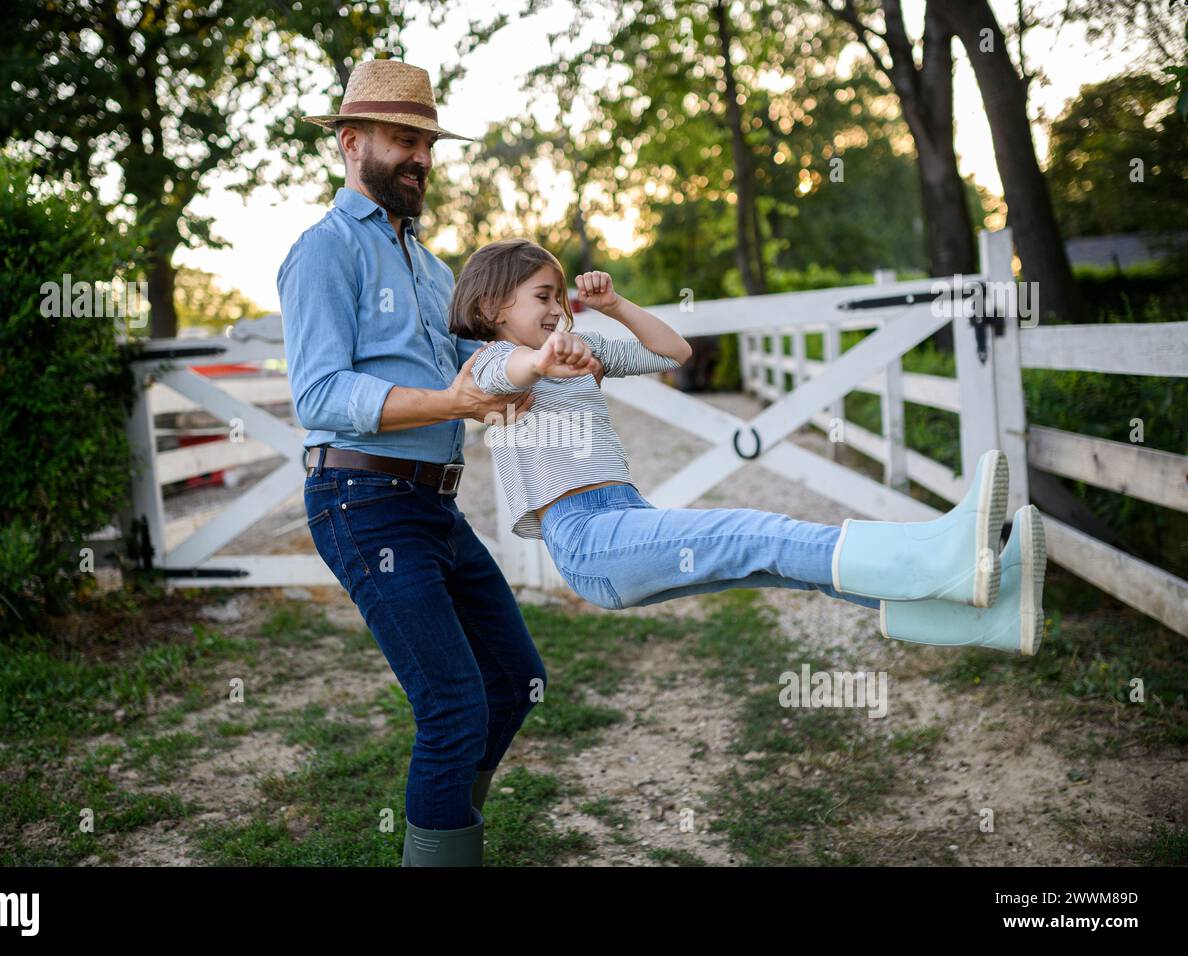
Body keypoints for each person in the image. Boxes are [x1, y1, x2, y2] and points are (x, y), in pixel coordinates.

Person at [448, 238, 1048, 657]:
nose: (557, 310)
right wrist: (547, 356)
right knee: (758, 532)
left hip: (624, 520)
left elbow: (672, 353)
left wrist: (613, 308)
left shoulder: (584, 355)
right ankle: (935, 555)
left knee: (779, 562)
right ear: (490, 308)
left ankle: (977, 615)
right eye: (541, 297)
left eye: (559, 297)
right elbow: (517, 371)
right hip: (586, 540)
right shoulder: (494, 359)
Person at [278, 60, 588, 867]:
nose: (419, 156)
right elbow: (319, 394)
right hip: (360, 498)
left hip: (434, 508)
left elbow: (472, 359)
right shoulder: (323, 252)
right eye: (402, 139)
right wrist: (454, 403)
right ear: (351, 144)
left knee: (516, 681)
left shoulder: (432, 266)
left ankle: (453, 833)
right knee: (453, 702)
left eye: (426, 141)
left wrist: (547, 348)